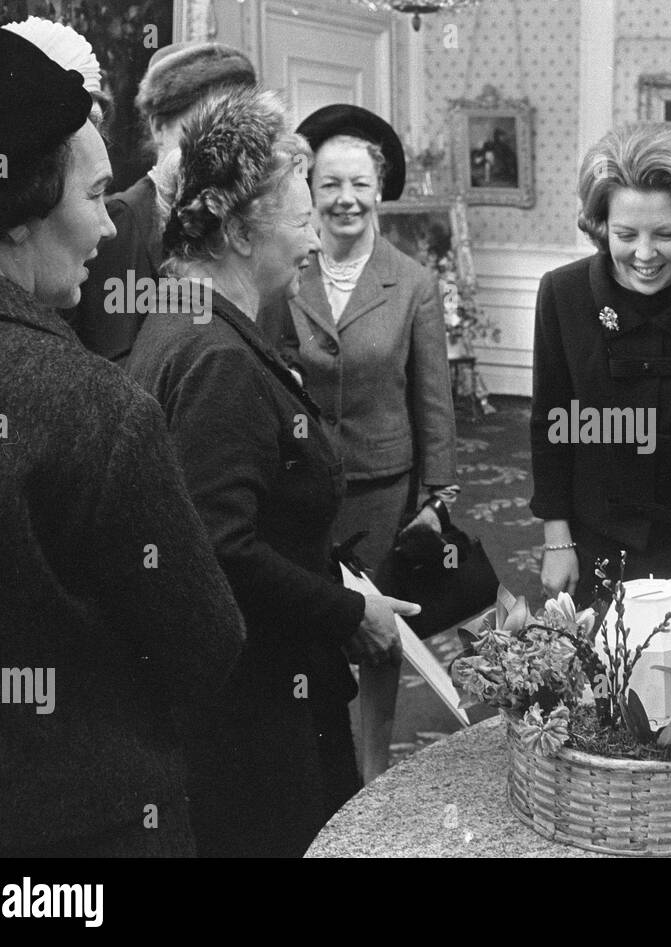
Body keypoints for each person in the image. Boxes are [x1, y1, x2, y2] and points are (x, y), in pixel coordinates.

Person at [0, 23, 244, 857]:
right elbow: (202, 643)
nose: (110, 229)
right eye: (92, 197)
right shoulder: (92, 408)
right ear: (19, 209)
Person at [127, 88, 420, 856]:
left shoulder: (184, 317)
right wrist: (345, 614)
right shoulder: (217, 357)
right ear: (239, 227)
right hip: (257, 707)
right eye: (300, 223)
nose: (314, 245)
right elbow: (221, 546)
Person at [259, 103, 458, 780]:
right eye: (329, 184)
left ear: (381, 191)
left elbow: (433, 398)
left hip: (382, 490)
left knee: (379, 639)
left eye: (359, 184)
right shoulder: (285, 270)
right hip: (300, 488)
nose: (345, 199)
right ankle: (319, 760)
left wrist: (439, 497)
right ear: (309, 192)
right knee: (310, 629)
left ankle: (373, 773)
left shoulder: (413, 283)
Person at [532, 122, 671, 605]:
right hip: (594, 545)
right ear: (600, 225)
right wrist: (557, 539)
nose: (645, 254)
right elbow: (553, 426)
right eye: (626, 233)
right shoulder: (562, 294)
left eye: (666, 234)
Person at [66, 41, 257, 364]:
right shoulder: (123, 221)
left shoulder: (244, 219)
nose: (221, 146)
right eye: (205, 127)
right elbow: (113, 356)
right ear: (158, 127)